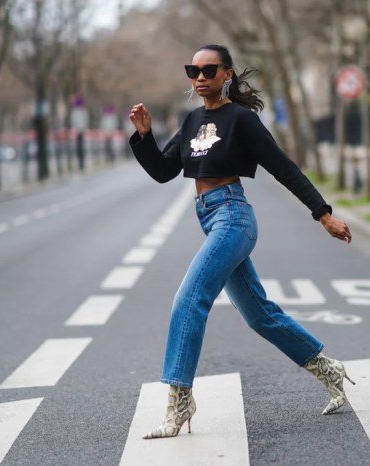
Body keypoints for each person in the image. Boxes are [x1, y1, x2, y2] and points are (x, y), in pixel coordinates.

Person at [128, 44, 354, 440]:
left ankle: (180, 399)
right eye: (193, 71)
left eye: (208, 70)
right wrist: (145, 137)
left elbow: (283, 167)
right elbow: (164, 171)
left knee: (189, 298)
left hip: (233, 217)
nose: (199, 78)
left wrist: (323, 213)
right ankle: (327, 368)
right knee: (259, 314)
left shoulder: (241, 120)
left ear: (226, 74)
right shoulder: (192, 119)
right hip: (209, 217)